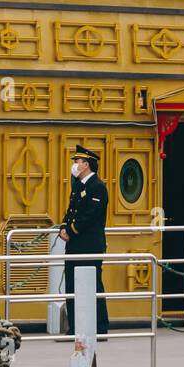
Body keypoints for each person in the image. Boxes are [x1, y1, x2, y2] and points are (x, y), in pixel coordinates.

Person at [59, 144, 110, 336]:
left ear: (86, 164)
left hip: (89, 245)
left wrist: (71, 230)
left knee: (93, 285)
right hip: (75, 245)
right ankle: (75, 327)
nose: (74, 164)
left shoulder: (97, 187)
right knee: (72, 285)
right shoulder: (78, 186)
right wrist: (64, 226)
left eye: (77, 161)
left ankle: (100, 326)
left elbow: (89, 215)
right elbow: (71, 211)